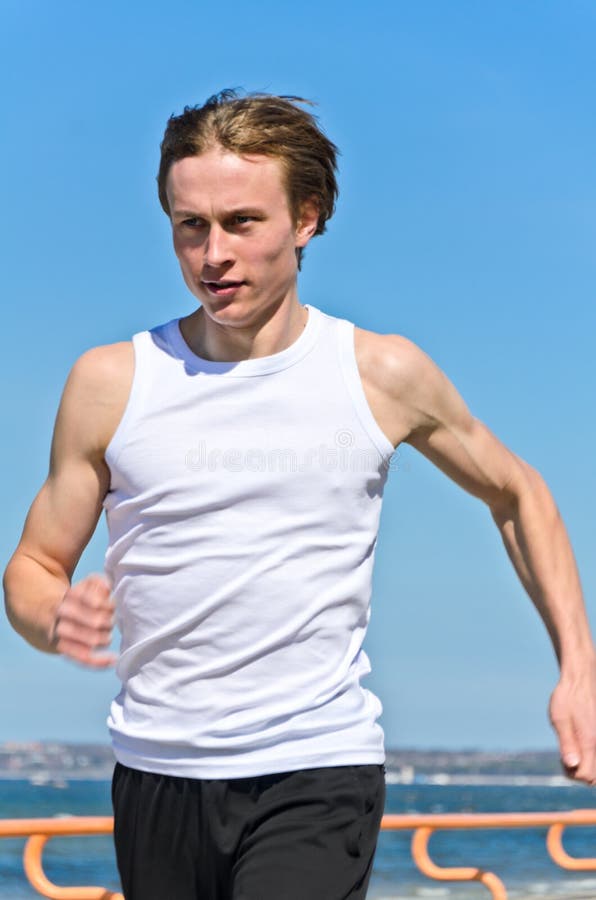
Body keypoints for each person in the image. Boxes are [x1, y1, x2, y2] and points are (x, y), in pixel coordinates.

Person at [4, 89, 596, 899]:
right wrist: (52, 615)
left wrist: (579, 666)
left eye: (242, 222)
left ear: (307, 218)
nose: (214, 254)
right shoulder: (111, 383)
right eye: (191, 226)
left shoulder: (379, 374)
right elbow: (36, 564)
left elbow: (518, 493)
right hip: (156, 775)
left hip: (316, 769)